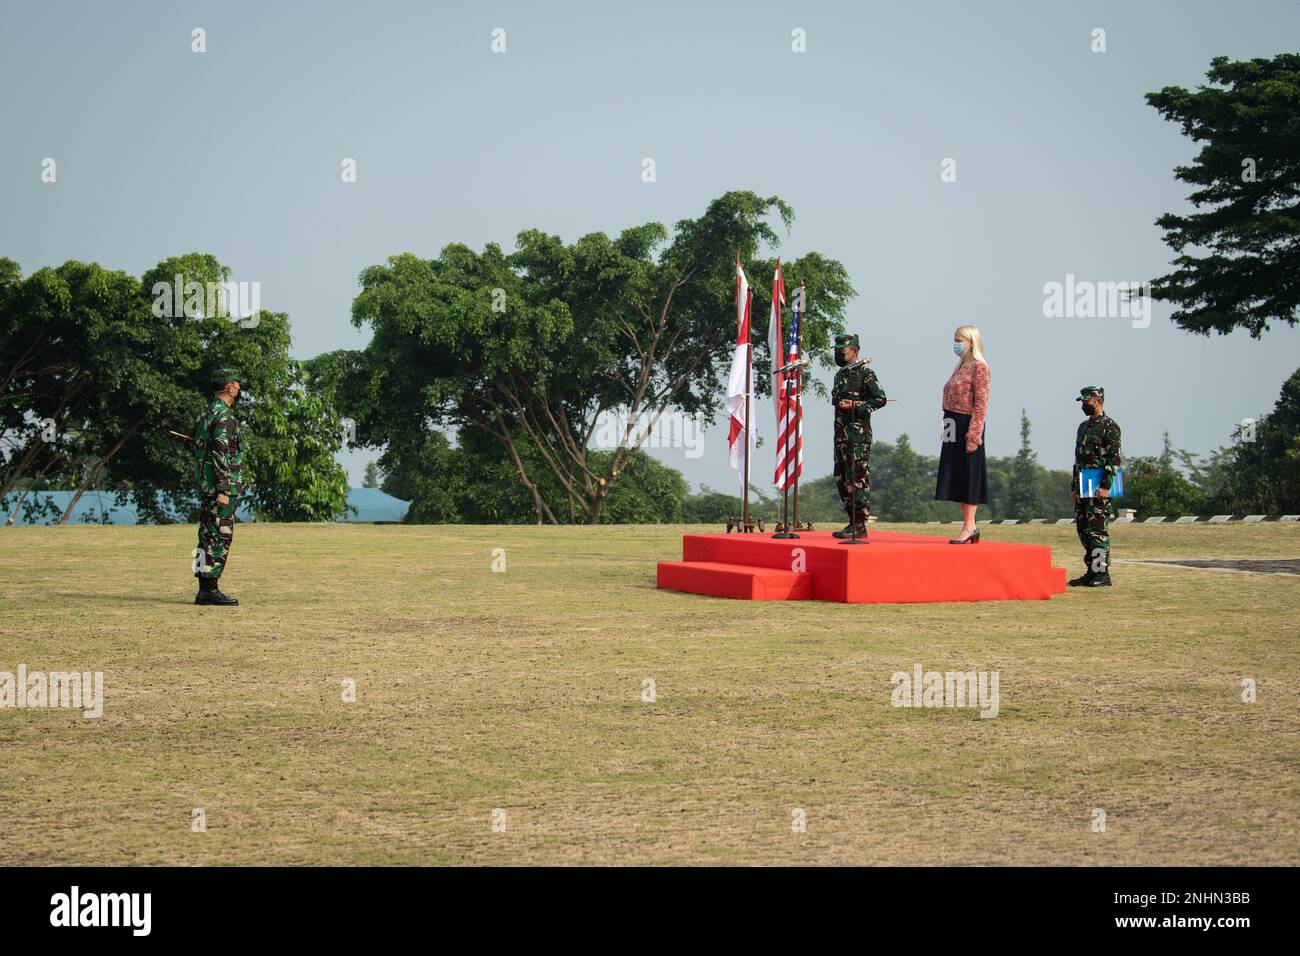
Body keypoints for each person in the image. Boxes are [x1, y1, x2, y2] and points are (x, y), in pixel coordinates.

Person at [193, 368, 245, 606]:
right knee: (219, 536)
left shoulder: (207, 412)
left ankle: (203, 588)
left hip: (206, 483)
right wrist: (223, 489)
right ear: (228, 386)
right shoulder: (224, 415)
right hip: (220, 486)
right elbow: (220, 452)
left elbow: (196, 441)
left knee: (205, 534)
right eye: (236, 383)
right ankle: (210, 589)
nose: (238, 387)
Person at [935, 325, 990, 543]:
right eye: (955, 340)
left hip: (968, 423)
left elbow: (981, 403)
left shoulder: (979, 367)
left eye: (959, 340)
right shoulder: (960, 366)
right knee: (955, 474)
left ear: (971, 342)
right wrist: (947, 428)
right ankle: (970, 525)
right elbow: (950, 401)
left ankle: (969, 525)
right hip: (952, 422)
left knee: (969, 474)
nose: (955, 344)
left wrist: (974, 434)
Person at [831, 333, 888, 540]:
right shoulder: (840, 375)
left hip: (858, 436)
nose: (839, 354)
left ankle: (860, 524)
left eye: (843, 351)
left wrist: (856, 405)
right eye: (837, 351)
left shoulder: (865, 373)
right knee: (842, 478)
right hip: (841, 435)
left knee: (857, 477)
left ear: (855, 351)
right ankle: (852, 521)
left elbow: (880, 399)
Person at [1070, 385, 1121, 587]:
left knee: (1098, 531)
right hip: (1083, 486)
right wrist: (1074, 487)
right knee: (1084, 530)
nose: (1083, 405)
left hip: (1099, 487)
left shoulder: (1110, 427)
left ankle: (1102, 573)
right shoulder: (1083, 427)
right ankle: (1091, 571)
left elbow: (1114, 460)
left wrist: (1106, 486)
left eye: (1087, 402)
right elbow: (1078, 460)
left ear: (1098, 401)